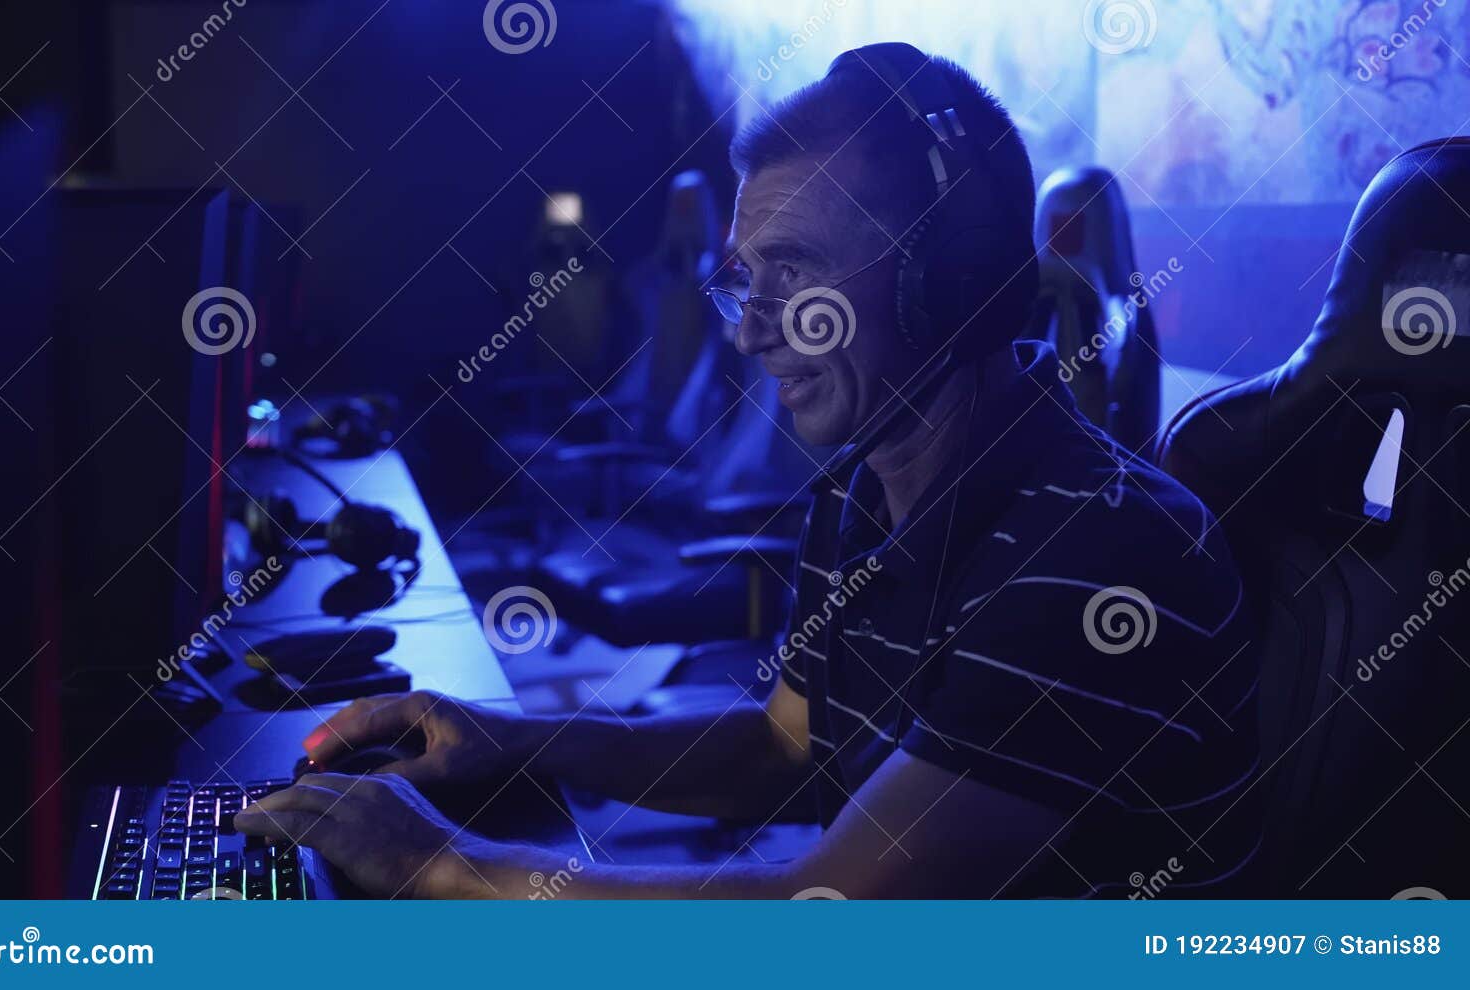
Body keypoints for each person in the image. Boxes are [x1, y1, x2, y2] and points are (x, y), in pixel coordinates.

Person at [236, 44, 1260, 899]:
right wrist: (515, 736)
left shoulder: (1099, 554)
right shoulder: (868, 488)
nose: (752, 335)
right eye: (744, 283)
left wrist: (441, 863)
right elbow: (787, 746)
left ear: (943, 283)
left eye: (797, 271)